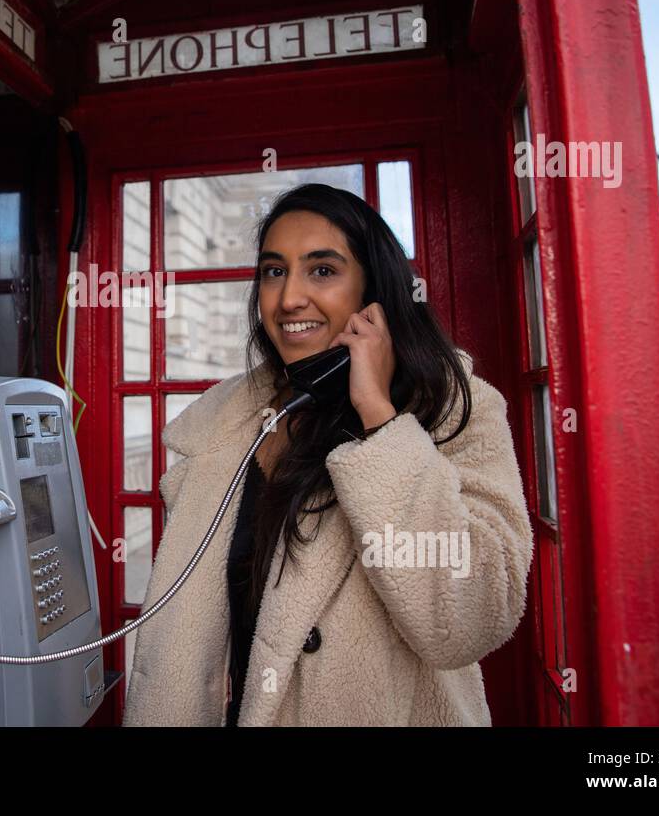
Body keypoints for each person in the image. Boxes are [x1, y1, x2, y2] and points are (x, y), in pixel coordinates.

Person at [122, 183, 533, 726]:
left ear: (374, 290)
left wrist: (380, 419)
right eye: (274, 271)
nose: (289, 297)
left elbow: (469, 617)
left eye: (322, 270)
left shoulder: (453, 410)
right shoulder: (230, 420)